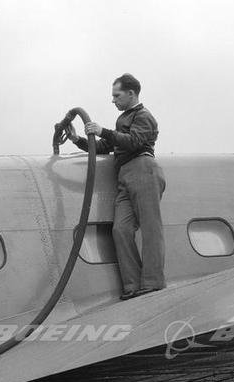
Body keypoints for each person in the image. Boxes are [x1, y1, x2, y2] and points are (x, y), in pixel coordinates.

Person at [69, 73, 166, 299]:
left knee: (151, 227)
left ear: (131, 93)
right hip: (124, 175)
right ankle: (133, 284)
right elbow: (105, 146)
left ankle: (153, 281)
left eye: (117, 95)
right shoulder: (123, 119)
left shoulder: (144, 116)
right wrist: (78, 140)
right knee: (120, 229)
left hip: (143, 169)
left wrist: (103, 131)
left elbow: (133, 141)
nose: (113, 100)